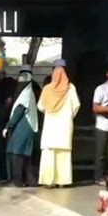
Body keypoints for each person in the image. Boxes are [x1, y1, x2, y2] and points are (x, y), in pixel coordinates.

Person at [37, 59, 80, 188]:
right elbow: (76, 106)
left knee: (49, 154)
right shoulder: (71, 88)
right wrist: (68, 117)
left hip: (50, 128)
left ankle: (49, 182)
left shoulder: (47, 89)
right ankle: (63, 181)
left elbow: (40, 107)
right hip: (65, 128)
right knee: (64, 155)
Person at [3, 66, 38, 187]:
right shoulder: (28, 92)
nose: (20, 80)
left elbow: (18, 111)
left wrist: (8, 126)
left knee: (17, 154)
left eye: (23, 78)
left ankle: (18, 181)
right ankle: (30, 180)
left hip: (23, 127)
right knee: (25, 155)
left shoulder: (25, 94)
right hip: (26, 127)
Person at [92, 63, 108, 186]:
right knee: (101, 153)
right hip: (103, 125)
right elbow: (95, 107)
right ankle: (99, 177)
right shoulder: (101, 89)